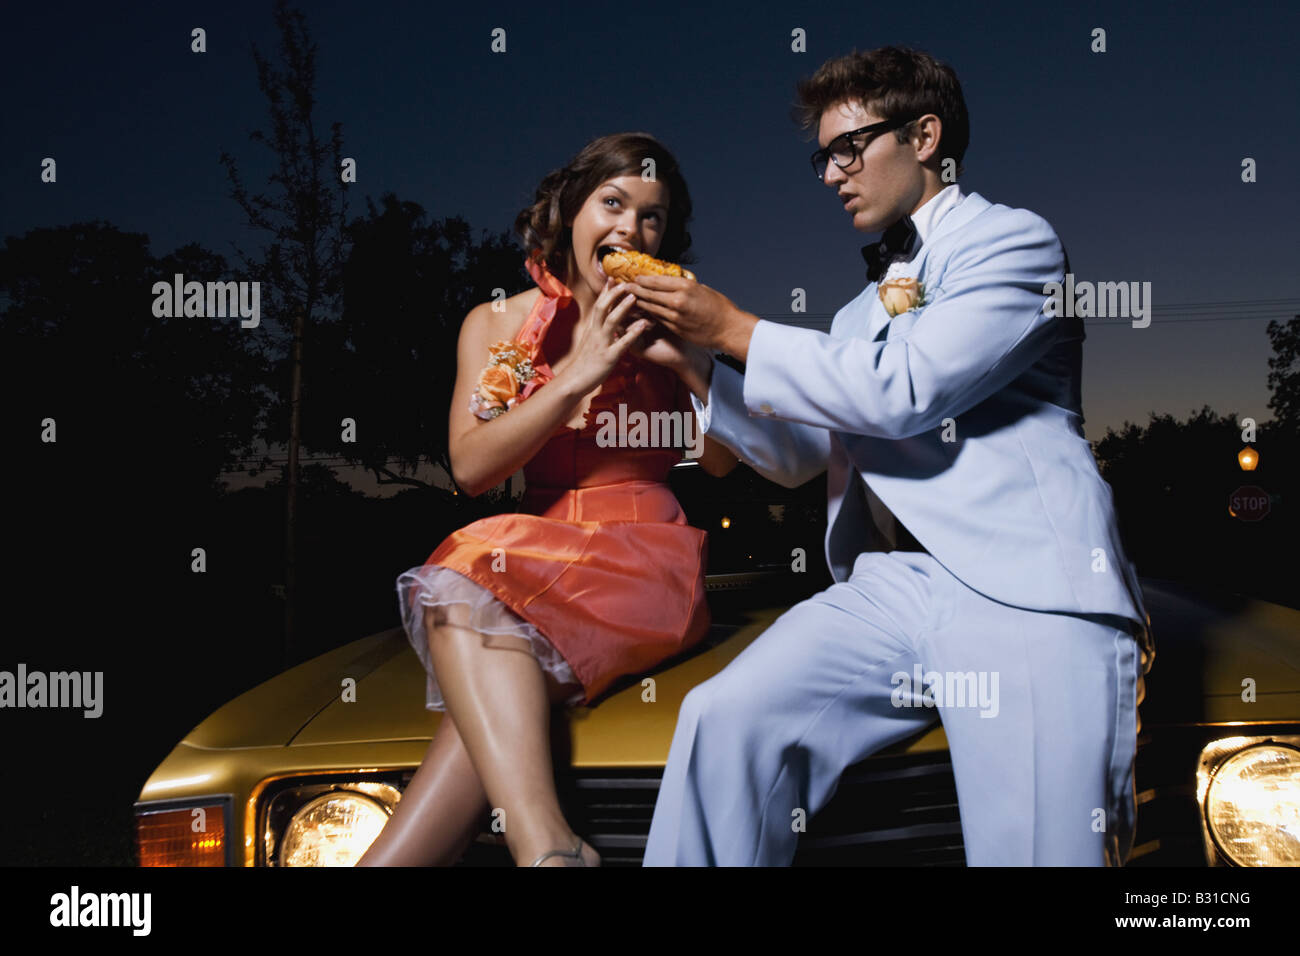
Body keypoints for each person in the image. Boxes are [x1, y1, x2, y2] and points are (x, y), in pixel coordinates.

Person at [631, 46, 1155, 866]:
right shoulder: (853, 314)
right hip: (889, 589)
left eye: (850, 148)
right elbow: (801, 455)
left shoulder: (1017, 244)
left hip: (1024, 592)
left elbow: (904, 388)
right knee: (721, 720)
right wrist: (694, 364)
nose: (831, 173)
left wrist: (730, 326)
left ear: (925, 135)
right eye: (822, 156)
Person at [355, 132, 737, 868]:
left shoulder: (675, 322)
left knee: (465, 579)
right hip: (531, 559)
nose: (631, 228)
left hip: (646, 560)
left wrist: (690, 361)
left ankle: (545, 847)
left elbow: (720, 462)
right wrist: (573, 374)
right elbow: (471, 467)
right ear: (570, 211)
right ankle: (551, 852)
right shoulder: (498, 326)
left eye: (652, 217)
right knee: (480, 611)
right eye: (614, 203)